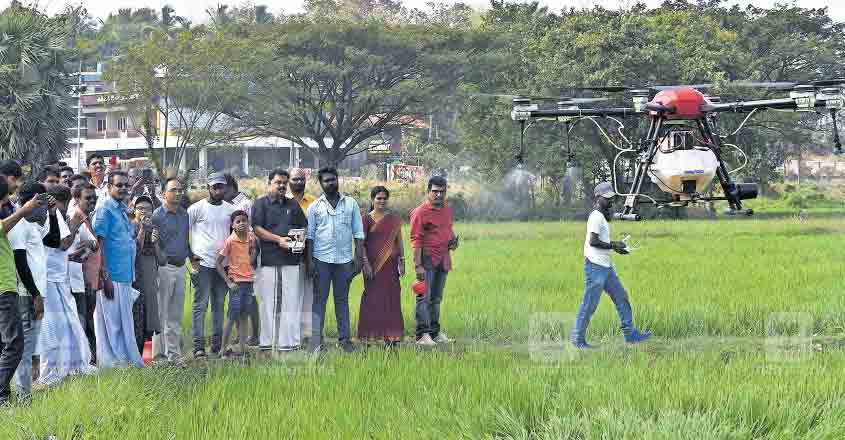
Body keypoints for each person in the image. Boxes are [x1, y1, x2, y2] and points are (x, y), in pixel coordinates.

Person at [570, 182, 652, 349]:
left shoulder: (602, 217)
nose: (611, 201)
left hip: (606, 267)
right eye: (607, 198)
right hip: (595, 267)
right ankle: (578, 340)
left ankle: (630, 334)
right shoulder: (595, 217)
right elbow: (593, 241)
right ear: (598, 198)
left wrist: (618, 248)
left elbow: (603, 242)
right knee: (589, 304)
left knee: (622, 298)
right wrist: (614, 245)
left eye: (611, 198)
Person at [306, 167, 365, 354]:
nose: (331, 183)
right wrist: (309, 262)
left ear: (338, 180)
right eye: (327, 180)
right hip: (321, 260)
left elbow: (358, 233)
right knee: (319, 301)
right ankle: (317, 341)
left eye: (333, 179)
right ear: (321, 183)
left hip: (344, 261)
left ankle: (345, 340)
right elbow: (310, 236)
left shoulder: (351, 204)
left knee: (342, 301)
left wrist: (359, 258)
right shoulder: (315, 207)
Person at [0, 175, 45, 404]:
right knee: (16, 346)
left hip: (10, 289)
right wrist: (23, 210)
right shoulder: (14, 221)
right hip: (9, 290)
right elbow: (20, 259)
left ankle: (7, 395)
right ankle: (7, 393)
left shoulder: (25, 222)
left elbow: (54, 238)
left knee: (11, 345)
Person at [92, 170, 144, 368]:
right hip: (111, 276)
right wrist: (104, 275)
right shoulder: (105, 209)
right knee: (112, 324)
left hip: (124, 274)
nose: (123, 188)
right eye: (118, 185)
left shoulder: (122, 209)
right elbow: (99, 242)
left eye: (125, 185)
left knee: (124, 324)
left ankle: (127, 361)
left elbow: (129, 240)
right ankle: (115, 364)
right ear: (109, 187)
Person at [252, 169, 307, 352]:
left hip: (291, 260)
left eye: (284, 182)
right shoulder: (261, 204)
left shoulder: (292, 204)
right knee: (269, 301)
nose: (282, 186)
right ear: (269, 183)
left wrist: (298, 241)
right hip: (269, 260)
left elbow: (304, 226)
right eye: (278, 182)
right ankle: (267, 343)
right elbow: (257, 229)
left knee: (291, 300)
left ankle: (288, 342)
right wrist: (278, 240)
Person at [188, 172, 236, 358]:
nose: (217, 190)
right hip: (203, 263)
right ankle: (198, 346)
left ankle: (217, 344)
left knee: (218, 304)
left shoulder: (230, 209)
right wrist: (191, 257)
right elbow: (185, 232)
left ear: (225, 188)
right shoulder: (196, 209)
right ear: (208, 187)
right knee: (200, 305)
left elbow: (235, 236)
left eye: (221, 186)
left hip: (223, 265)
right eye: (214, 186)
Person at [410, 176, 459, 347]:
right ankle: (422, 335)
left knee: (436, 299)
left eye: (442, 192)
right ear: (428, 192)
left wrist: (453, 241)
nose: (438, 195)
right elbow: (416, 240)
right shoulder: (420, 212)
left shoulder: (447, 210)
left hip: (444, 259)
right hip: (427, 260)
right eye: (435, 191)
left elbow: (448, 230)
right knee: (424, 298)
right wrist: (418, 266)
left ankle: (435, 333)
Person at [357, 187, 405, 347]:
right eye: (378, 198)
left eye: (385, 198)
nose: (382, 201)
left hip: (390, 268)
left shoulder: (394, 219)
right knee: (371, 300)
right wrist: (365, 264)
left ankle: (391, 337)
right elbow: (361, 244)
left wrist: (402, 261)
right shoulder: (366, 219)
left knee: (391, 300)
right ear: (372, 200)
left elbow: (399, 241)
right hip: (372, 267)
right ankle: (368, 337)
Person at [152, 177, 191, 362]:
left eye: (180, 190)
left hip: (181, 267)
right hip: (164, 268)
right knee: (161, 314)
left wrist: (192, 257)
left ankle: (173, 356)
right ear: (163, 193)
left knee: (175, 314)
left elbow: (184, 240)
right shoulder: (157, 216)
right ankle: (159, 356)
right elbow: (154, 244)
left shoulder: (185, 214)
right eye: (174, 190)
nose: (178, 193)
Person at [223, 173, 258, 346]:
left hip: (246, 255)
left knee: (249, 300)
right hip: (234, 256)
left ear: (230, 187)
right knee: (237, 301)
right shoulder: (227, 204)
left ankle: (255, 334)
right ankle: (240, 335)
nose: (221, 192)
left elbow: (249, 229)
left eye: (223, 188)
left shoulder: (244, 203)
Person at [216, 210, 257, 358]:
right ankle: (223, 348)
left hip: (249, 282)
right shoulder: (230, 241)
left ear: (248, 223)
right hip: (237, 284)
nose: (241, 224)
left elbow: (252, 260)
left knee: (244, 316)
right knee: (232, 317)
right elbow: (218, 263)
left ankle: (242, 348)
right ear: (232, 225)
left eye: (244, 221)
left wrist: (254, 248)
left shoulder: (251, 239)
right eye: (238, 221)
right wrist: (228, 282)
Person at [130, 195, 165, 358]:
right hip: (135, 279)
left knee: (150, 320)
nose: (144, 212)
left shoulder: (155, 229)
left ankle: (146, 359)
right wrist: (143, 231)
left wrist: (156, 242)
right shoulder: (131, 227)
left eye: (148, 209)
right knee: (136, 319)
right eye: (141, 208)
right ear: (135, 211)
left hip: (150, 279)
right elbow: (134, 253)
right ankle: (135, 357)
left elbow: (163, 260)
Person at [68, 182, 99, 361]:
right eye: (88, 198)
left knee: (87, 321)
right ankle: (85, 361)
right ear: (76, 199)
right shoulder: (75, 216)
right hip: (76, 279)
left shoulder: (85, 217)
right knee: (82, 323)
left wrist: (88, 244)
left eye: (94, 198)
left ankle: (89, 360)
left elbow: (94, 244)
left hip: (86, 279)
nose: (92, 201)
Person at [288, 168, 317, 340]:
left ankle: (306, 333)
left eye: (301, 179)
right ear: (288, 181)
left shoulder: (314, 203)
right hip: (287, 256)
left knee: (308, 293)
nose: (299, 182)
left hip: (309, 254)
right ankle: (290, 331)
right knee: (290, 294)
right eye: (295, 179)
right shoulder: (283, 202)